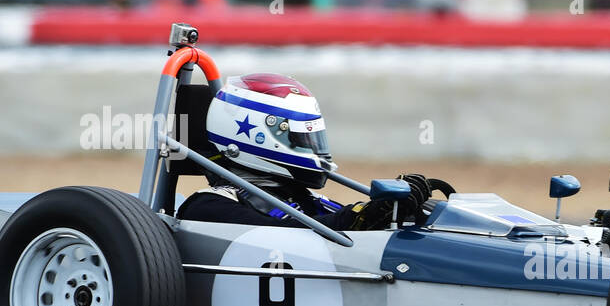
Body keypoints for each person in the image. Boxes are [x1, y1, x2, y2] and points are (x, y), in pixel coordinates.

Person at [177, 73, 449, 231]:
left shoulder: (304, 198)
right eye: (300, 137)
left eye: (312, 136)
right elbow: (287, 238)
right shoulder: (209, 207)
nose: (312, 147)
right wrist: (359, 217)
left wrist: (408, 209)